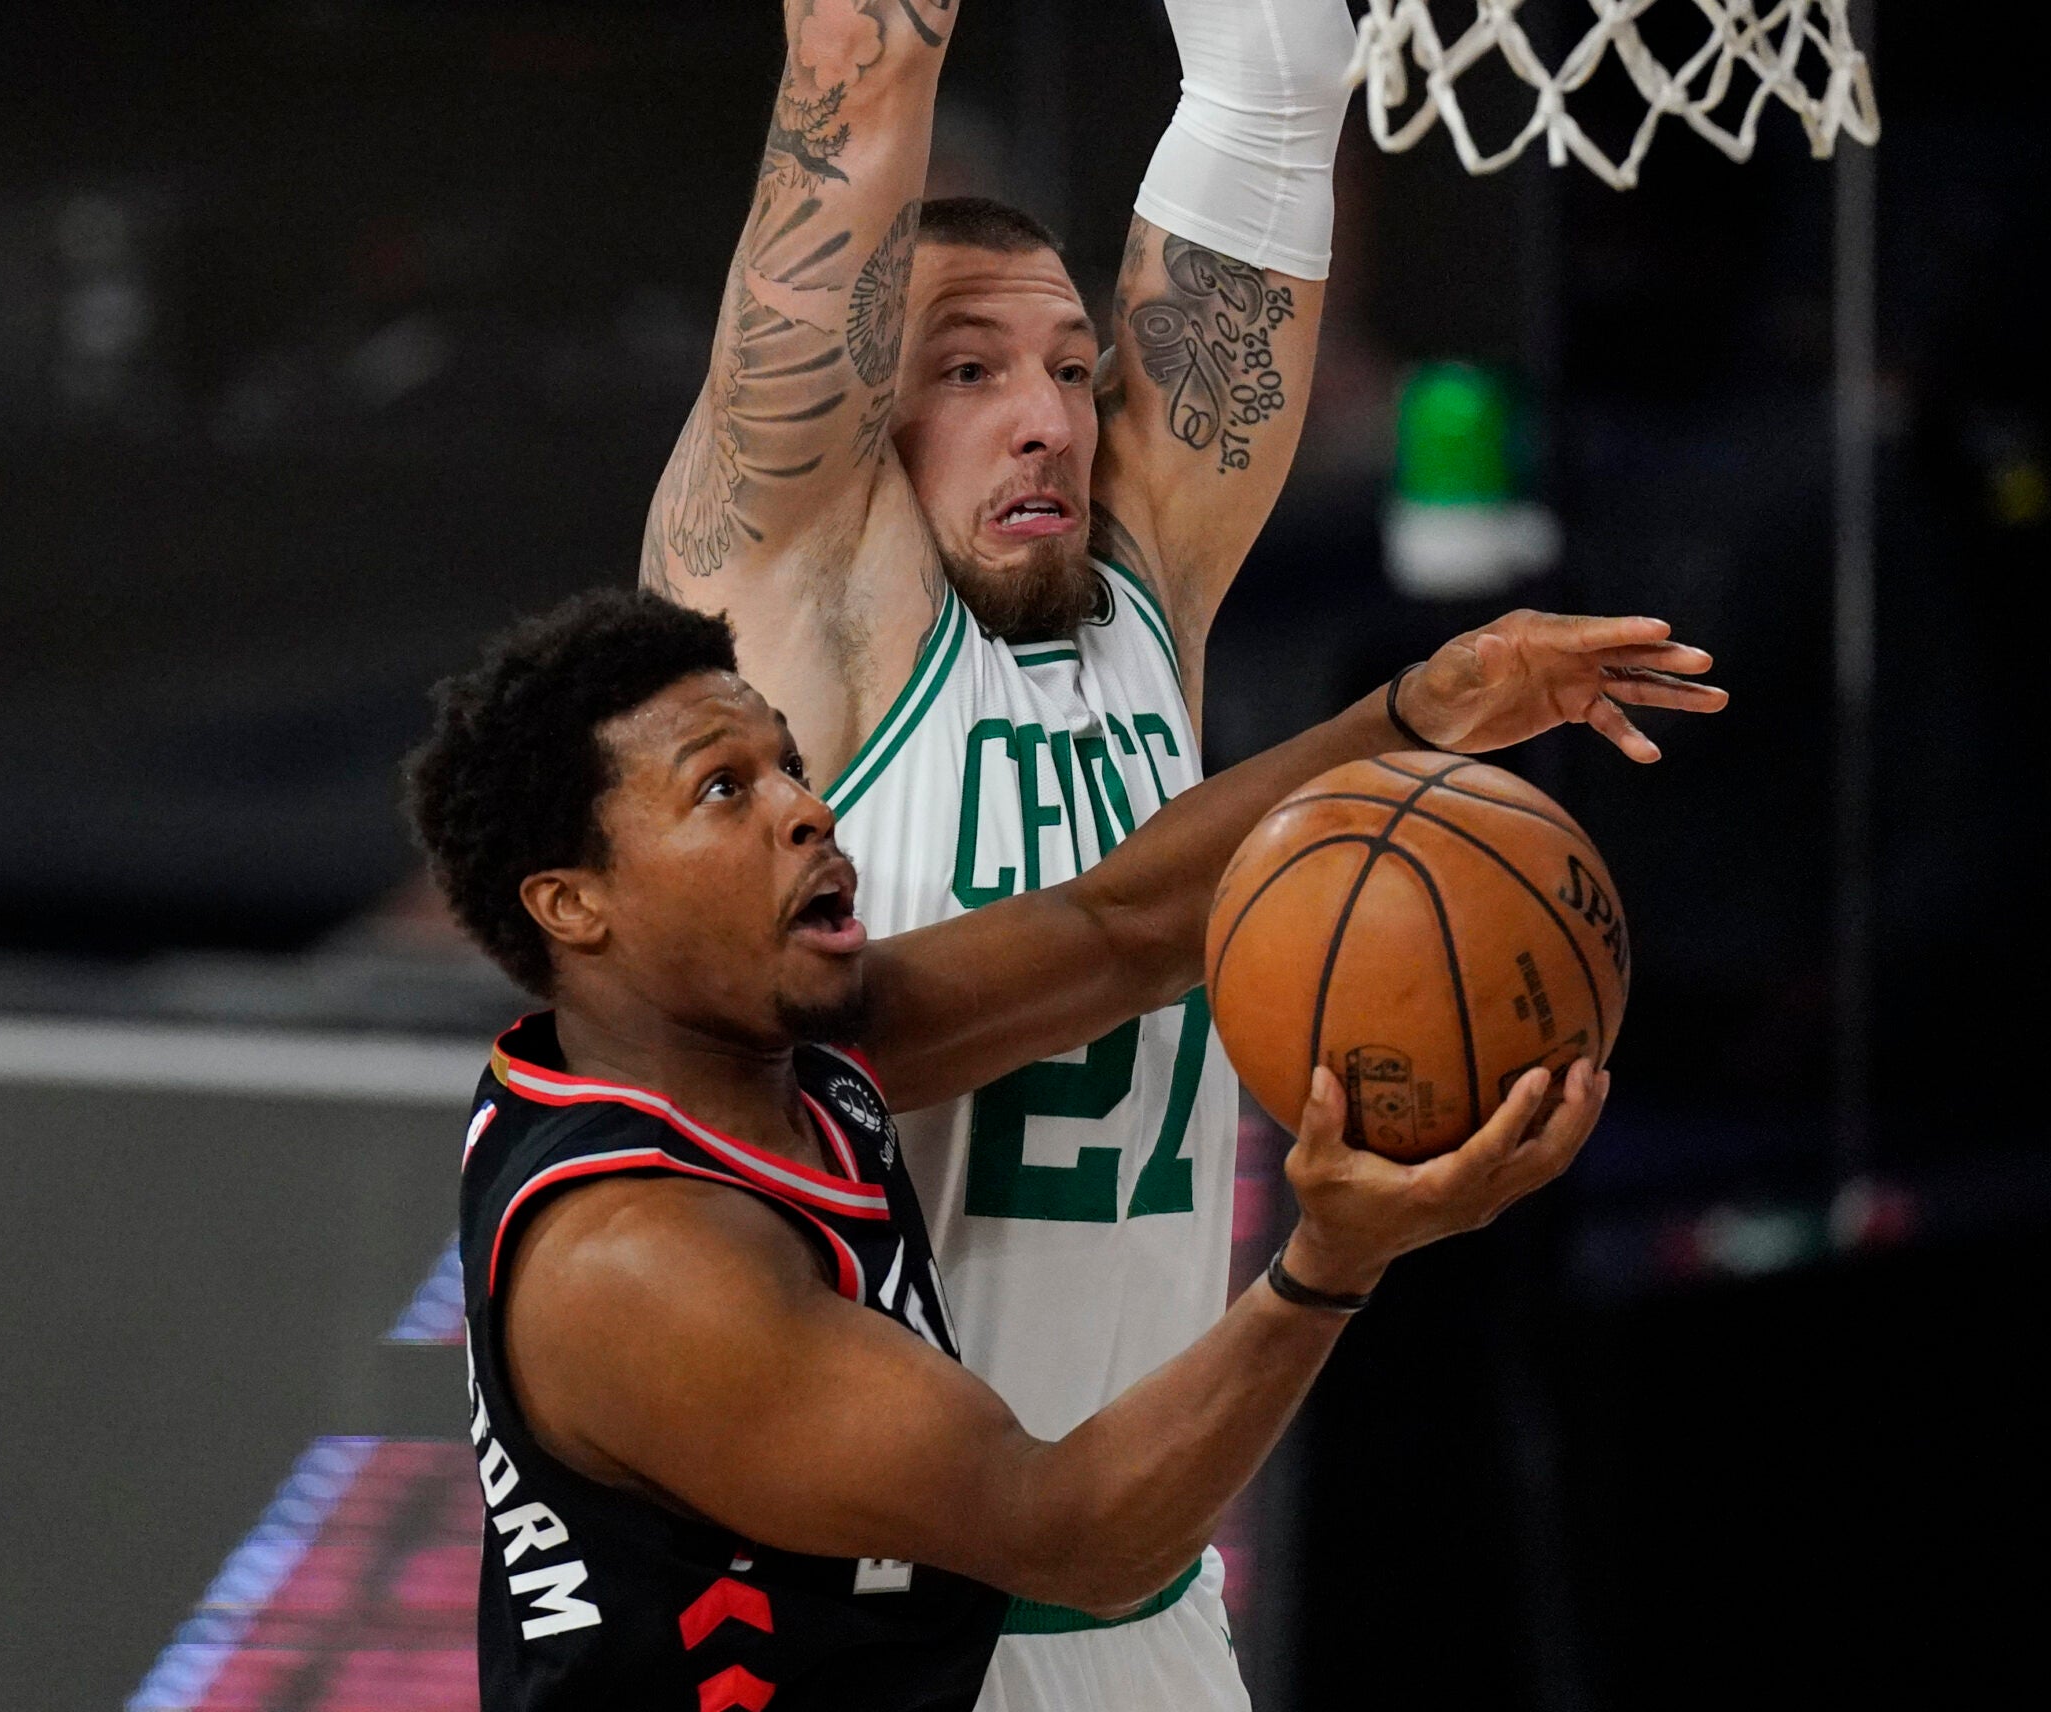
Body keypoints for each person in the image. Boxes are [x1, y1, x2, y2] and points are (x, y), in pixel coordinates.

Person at [638, 4, 1727, 1703]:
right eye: (969, 368)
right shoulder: (792, 605)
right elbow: (857, 74)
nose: (1049, 418)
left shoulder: (1142, 586)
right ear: (857, 408)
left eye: (1075, 370)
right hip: (846, 1626)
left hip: (1135, 1608)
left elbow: (1272, 81)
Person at [404, 589, 1607, 1712]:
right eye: (724, 790)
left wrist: (1415, 716)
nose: (803, 807)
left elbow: (1117, 926)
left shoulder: (736, 1046)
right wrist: (1332, 1260)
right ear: (571, 904)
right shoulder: (646, 1265)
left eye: (788, 762)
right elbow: (1076, 1535)